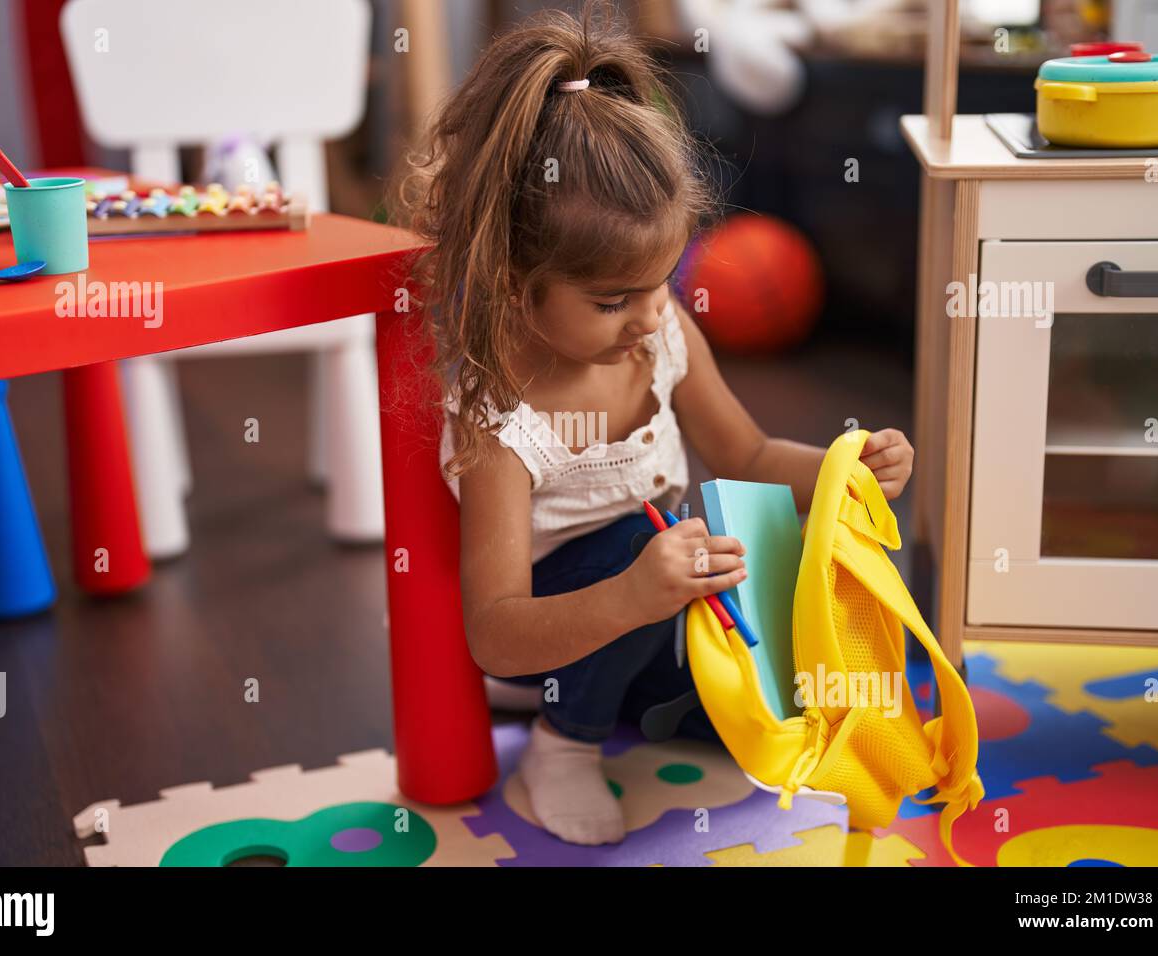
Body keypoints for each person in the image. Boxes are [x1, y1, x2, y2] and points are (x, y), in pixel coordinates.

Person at [391, 0, 913, 846]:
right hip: (563, 643)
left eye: (661, 283)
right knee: (650, 540)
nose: (646, 319)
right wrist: (633, 594)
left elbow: (744, 451)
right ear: (512, 282)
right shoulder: (503, 421)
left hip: (661, 611)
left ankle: (655, 705)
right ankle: (560, 750)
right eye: (610, 301)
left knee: (789, 595)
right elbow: (494, 631)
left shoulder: (661, 331)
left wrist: (843, 464)